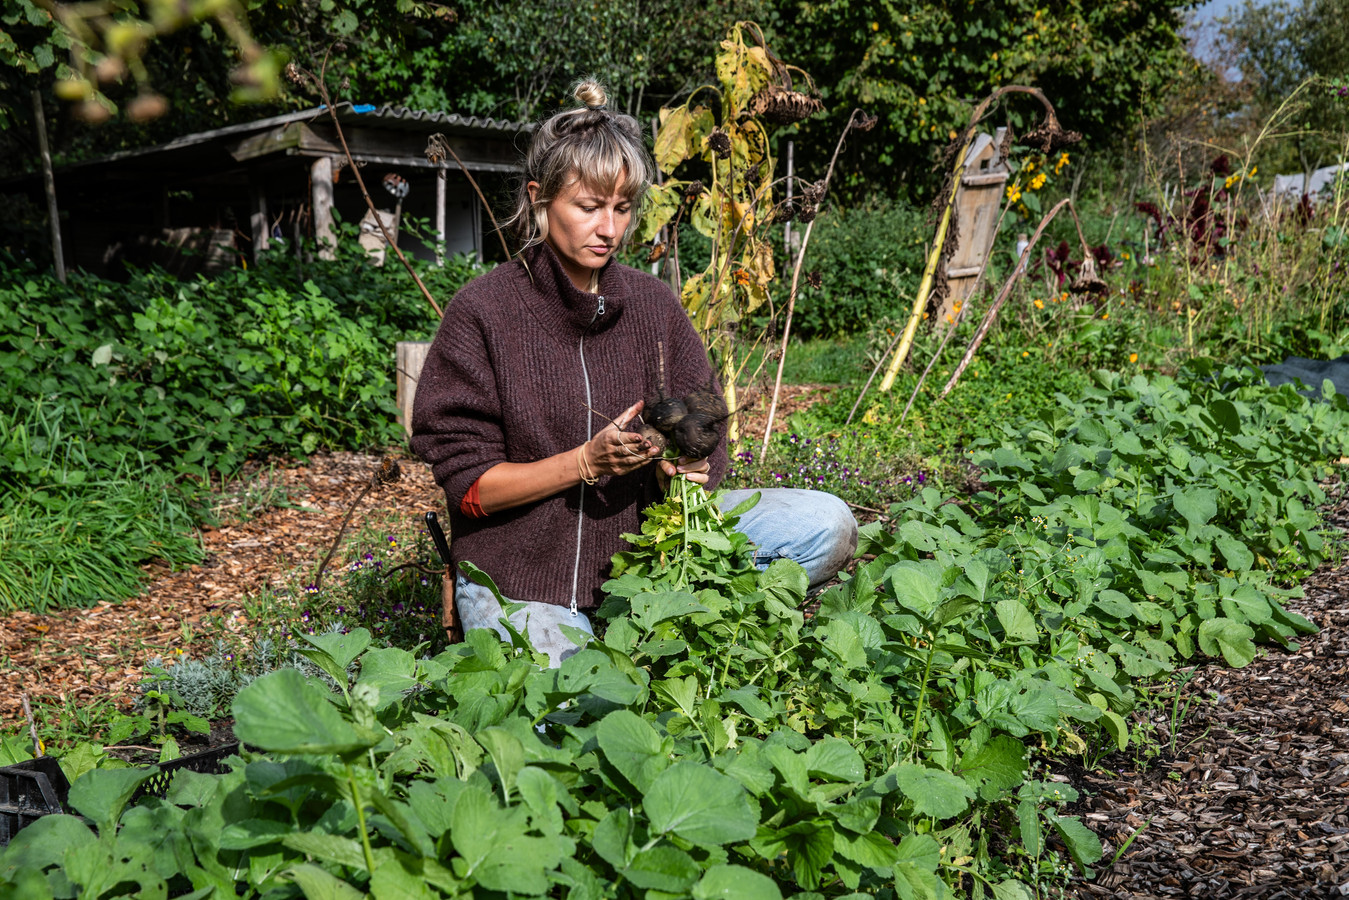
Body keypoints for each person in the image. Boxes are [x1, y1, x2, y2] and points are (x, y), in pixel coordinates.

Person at [411, 80, 856, 666]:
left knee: (829, 524)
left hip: (646, 549)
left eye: (622, 208)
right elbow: (469, 490)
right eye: (589, 207)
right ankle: (643, 642)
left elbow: (704, 422)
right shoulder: (484, 313)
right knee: (570, 715)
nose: (610, 230)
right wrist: (585, 463)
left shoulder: (652, 305)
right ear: (540, 199)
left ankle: (670, 614)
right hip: (523, 572)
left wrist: (689, 466)